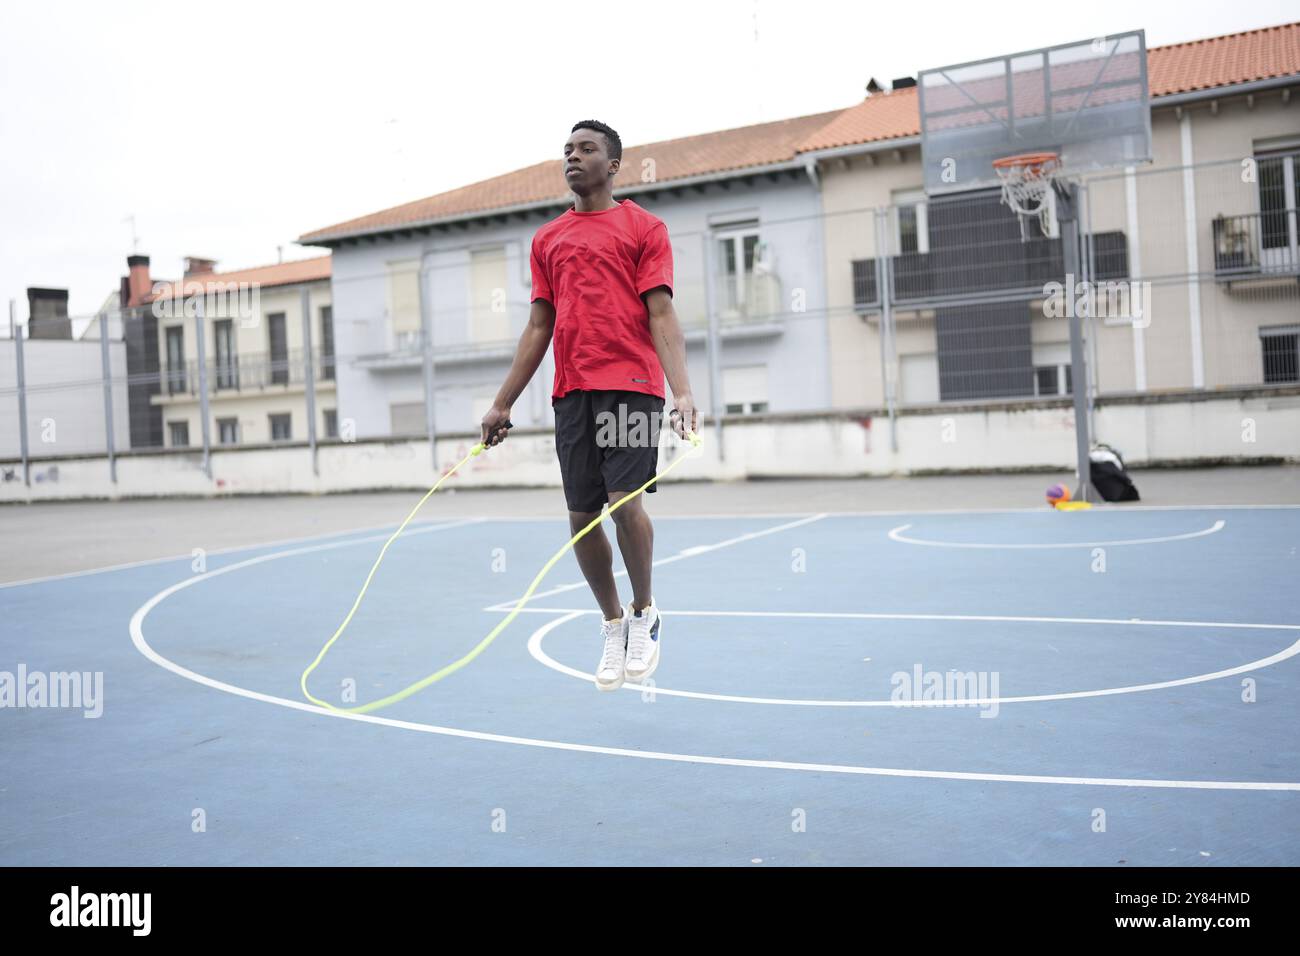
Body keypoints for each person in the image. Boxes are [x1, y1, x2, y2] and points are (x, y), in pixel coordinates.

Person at [480, 119, 698, 692]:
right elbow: (537, 327)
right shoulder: (548, 240)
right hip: (572, 392)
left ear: (613, 164)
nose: (573, 157)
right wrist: (502, 403)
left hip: (631, 384)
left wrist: (682, 391)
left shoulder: (644, 228)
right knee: (582, 520)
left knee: (625, 502)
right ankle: (612, 623)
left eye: (587, 149)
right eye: (568, 150)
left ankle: (646, 611)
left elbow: (662, 314)